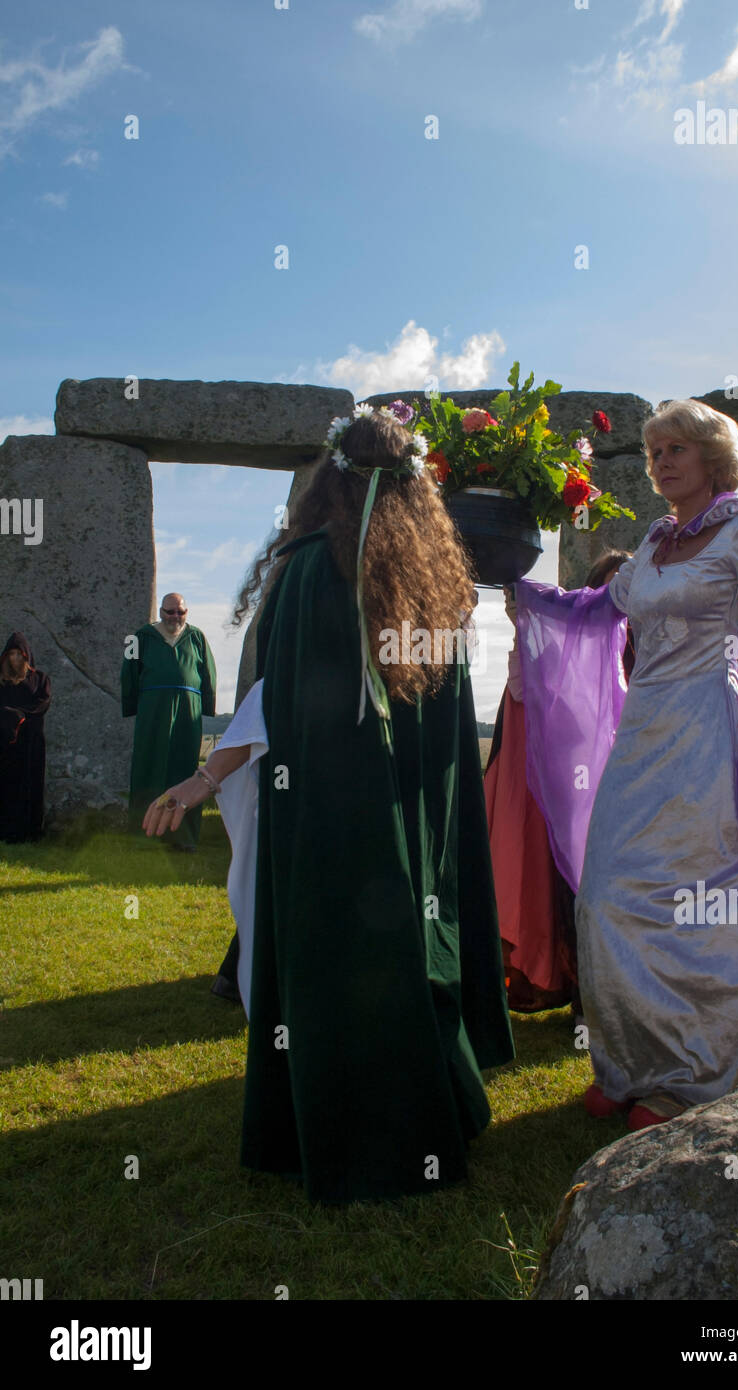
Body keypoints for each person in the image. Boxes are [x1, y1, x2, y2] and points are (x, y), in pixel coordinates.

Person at [143, 405, 514, 1203]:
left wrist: (209, 777)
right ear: (420, 490)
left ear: (331, 481)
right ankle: (429, 1113)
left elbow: (273, 703)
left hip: (325, 818)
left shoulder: (312, 568)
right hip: (411, 818)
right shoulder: (440, 585)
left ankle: (334, 1132)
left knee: (333, 966)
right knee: (412, 949)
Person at [515, 399, 738, 1132]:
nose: (663, 462)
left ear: (715, 459)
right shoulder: (652, 541)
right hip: (643, 735)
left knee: (708, 908)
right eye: (655, 452)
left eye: (677, 448)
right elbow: (597, 609)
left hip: (712, 733)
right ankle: (635, 1061)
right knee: (608, 894)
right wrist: (517, 589)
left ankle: (701, 1077)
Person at [484, 551, 631, 1015]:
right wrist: (523, 629)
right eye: (610, 587)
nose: (620, 597)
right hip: (578, 788)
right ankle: (583, 992)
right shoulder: (563, 649)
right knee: (577, 887)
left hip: (635, 784)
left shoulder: (655, 644)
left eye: (628, 585)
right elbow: (526, 696)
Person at [121, 594, 216, 850]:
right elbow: (128, 671)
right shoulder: (140, 636)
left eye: (180, 612)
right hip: (153, 709)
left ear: (187, 612)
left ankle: (182, 837)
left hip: (188, 710)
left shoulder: (197, 637)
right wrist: (132, 705)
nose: (175, 617)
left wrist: (207, 705)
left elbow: (208, 672)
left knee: (184, 768)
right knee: (148, 766)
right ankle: (144, 836)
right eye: (170, 612)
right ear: (161, 611)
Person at [0, 631, 51, 842]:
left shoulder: (39, 679)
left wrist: (21, 715)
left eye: (19, 654)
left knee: (30, 784)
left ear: (26, 655)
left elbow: (42, 703)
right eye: (11, 654)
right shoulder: (1, 680)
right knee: (6, 784)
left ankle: (28, 831)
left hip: (31, 740)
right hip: (4, 740)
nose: (15, 658)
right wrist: (8, 716)